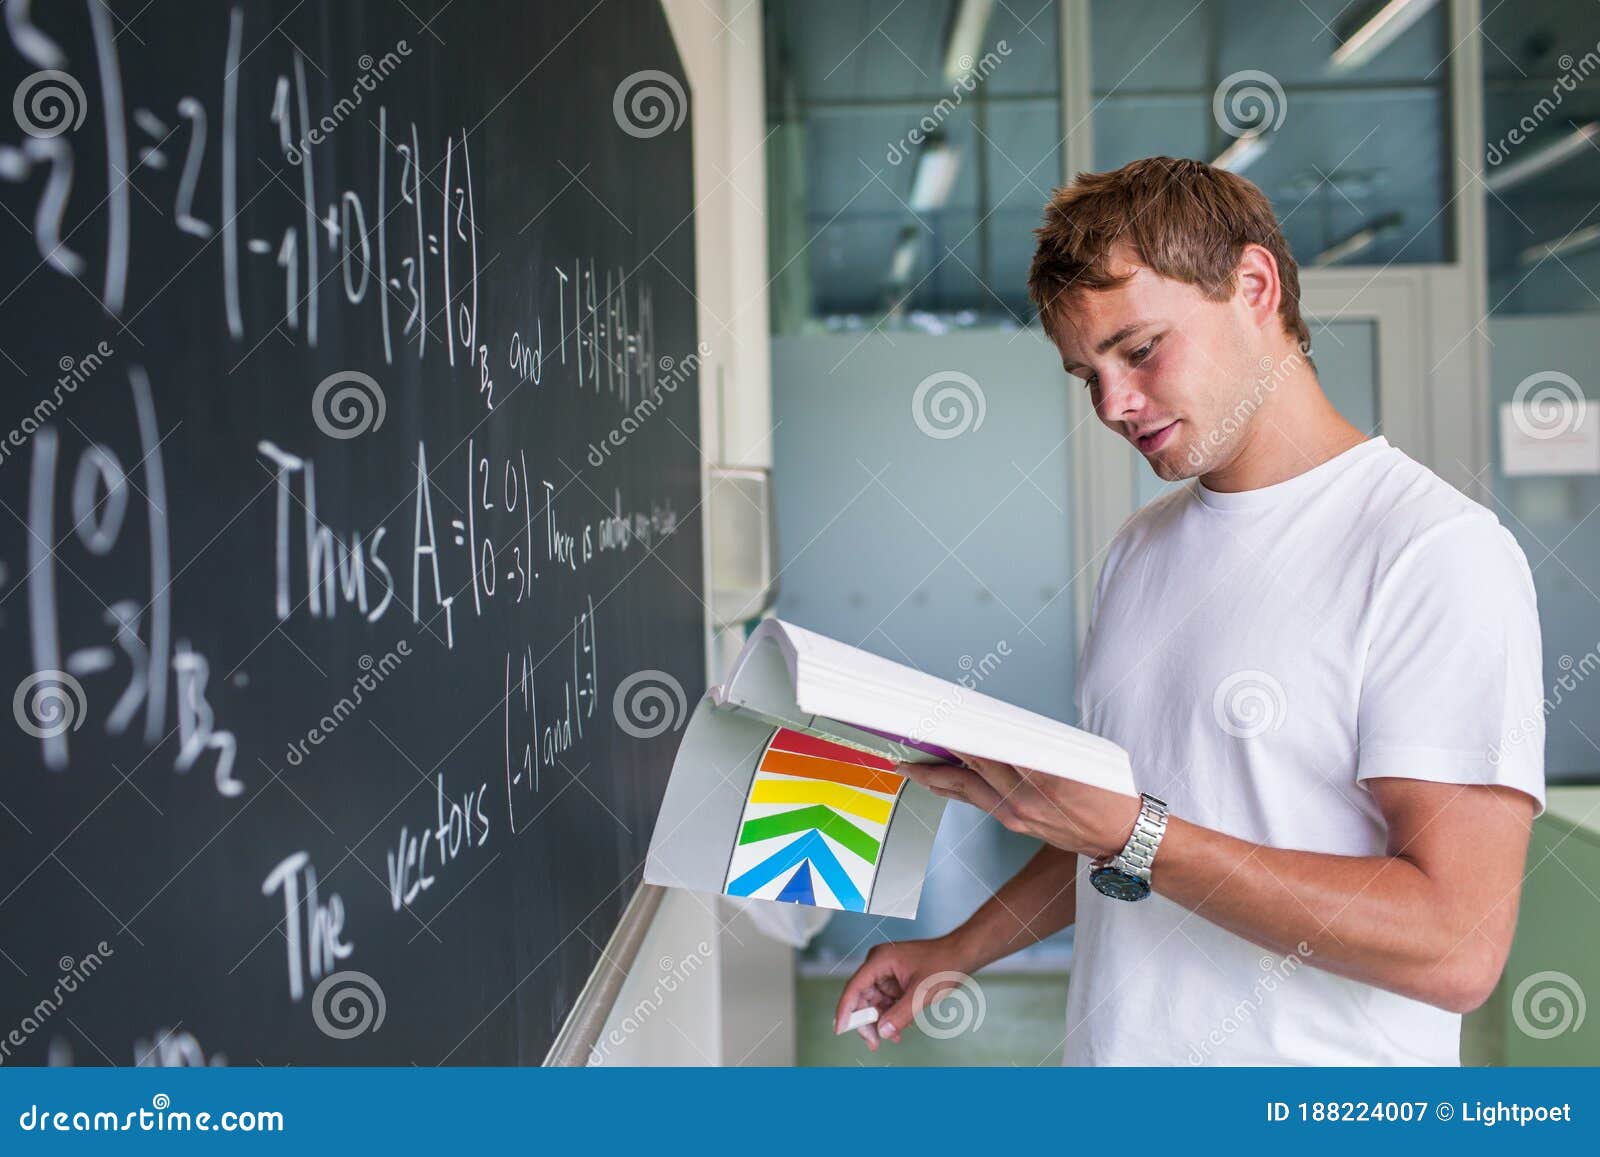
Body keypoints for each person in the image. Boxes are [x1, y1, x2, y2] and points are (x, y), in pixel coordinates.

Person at [835, 156, 1546, 1066]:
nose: (1114, 404)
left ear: (1254, 285)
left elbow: (1456, 945)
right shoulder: (1140, 550)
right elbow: (1135, 826)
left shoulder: (1431, 552)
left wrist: (1135, 831)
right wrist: (957, 949)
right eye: (1086, 375)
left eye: (1138, 350)